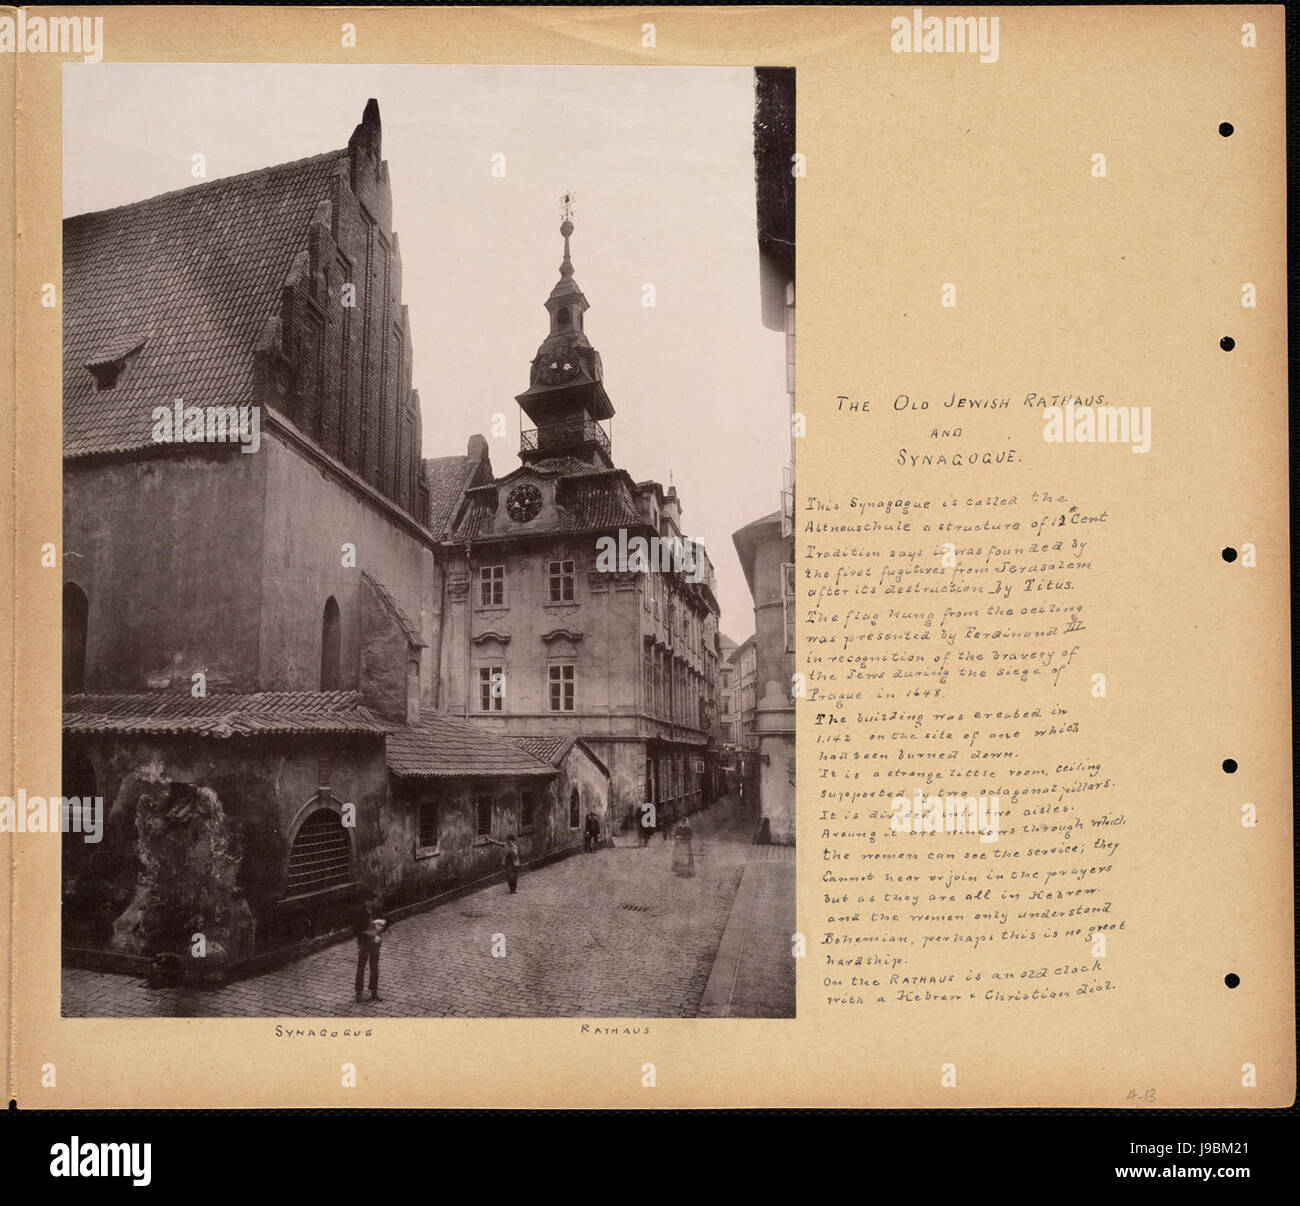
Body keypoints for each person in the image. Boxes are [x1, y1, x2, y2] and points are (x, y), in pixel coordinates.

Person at [353, 894, 386, 1003]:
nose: (374, 903)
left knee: (375, 968)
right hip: (364, 944)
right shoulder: (359, 912)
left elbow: (386, 919)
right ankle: (359, 994)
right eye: (372, 900)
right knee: (361, 968)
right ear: (366, 901)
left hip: (376, 943)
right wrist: (371, 936)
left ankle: (374, 992)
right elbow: (356, 931)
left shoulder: (376, 910)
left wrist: (382, 923)